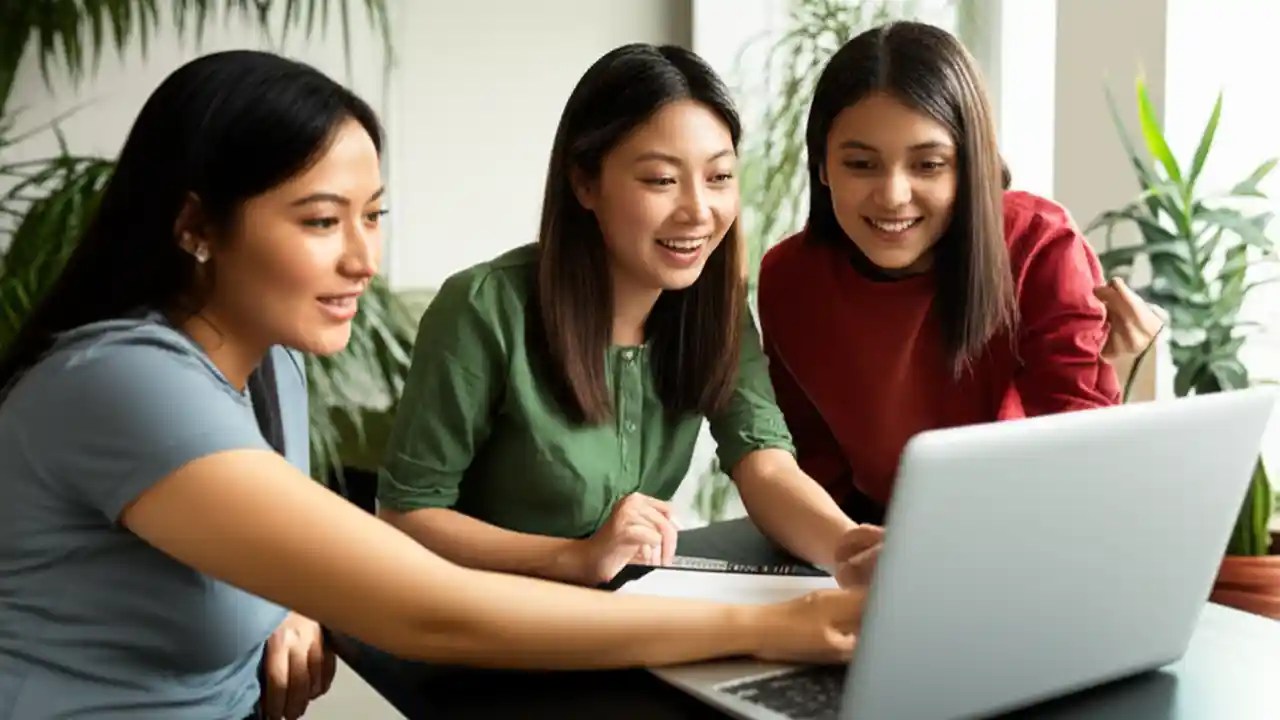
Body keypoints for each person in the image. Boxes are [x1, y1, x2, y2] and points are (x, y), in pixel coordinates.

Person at [0, 50, 868, 720]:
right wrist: (765, 627)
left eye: (374, 215)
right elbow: (426, 609)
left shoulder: (271, 365)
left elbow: (247, 542)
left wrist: (285, 604)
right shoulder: (123, 384)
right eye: (320, 220)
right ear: (195, 226)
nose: (363, 259)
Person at [377, 43, 880, 590]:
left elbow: (763, 461)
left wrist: (847, 547)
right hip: (490, 625)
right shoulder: (482, 309)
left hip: (624, 613)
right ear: (585, 183)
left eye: (718, 178)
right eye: (662, 180)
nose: (698, 211)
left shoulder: (715, 306)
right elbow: (406, 518)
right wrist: (573, 557)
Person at [756, 21, 1163, 526]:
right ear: (822, 166)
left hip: (1025, 528)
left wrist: (1132, 371)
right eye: (861, 164)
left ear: (970, 165)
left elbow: (1073, 448)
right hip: (864, 541)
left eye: (928, 165)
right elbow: (808, 464)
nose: (893, 195)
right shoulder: (790, 278)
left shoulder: (1039, 246)